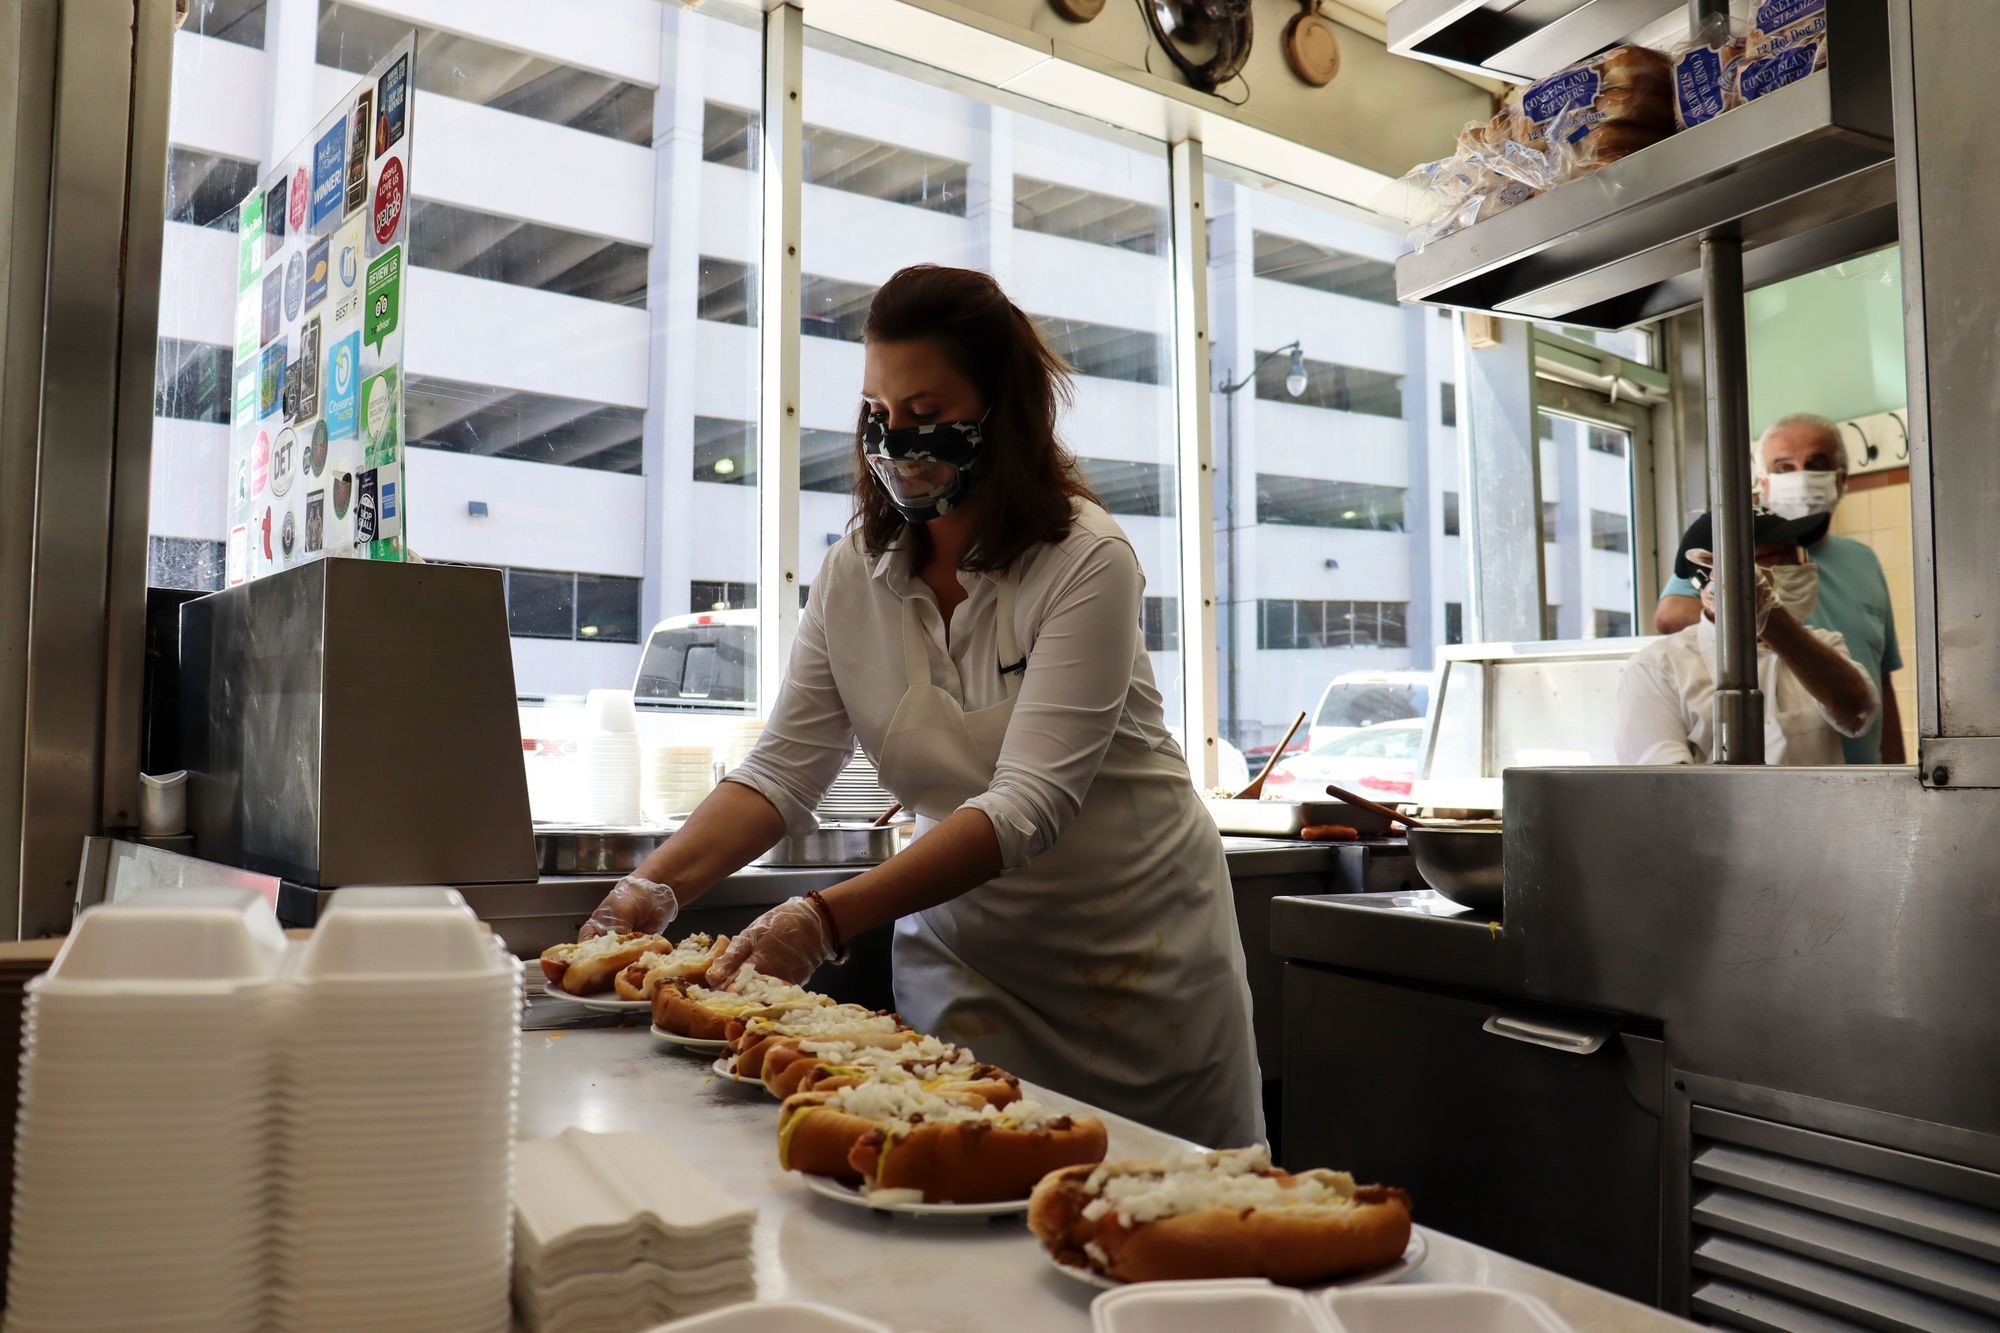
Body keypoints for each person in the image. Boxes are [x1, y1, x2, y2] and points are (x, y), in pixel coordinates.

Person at [581, 265, 1264, 1149]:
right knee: (953, 1196)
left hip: (1137, 962)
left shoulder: (1086, 561)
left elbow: (1028, 805)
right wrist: (651, 887)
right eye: (880, 411)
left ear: (1002, 410)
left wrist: (823, 916)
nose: (898, 437)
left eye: (927, 409)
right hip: (969, 961)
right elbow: (783, 771)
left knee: (1163, 1211)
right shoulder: (851, 575)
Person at [1653, 413, 1904, 762]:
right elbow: (1671, 616)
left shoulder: (1864, 561)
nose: (1801, 476)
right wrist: (1745, 606)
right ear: (1763, 482)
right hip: (1787, 766)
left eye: (1816, 464)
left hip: (1865, 767)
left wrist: (1896, 770)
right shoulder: (1729, 549)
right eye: (1784, 467)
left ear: (1841, 478)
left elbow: (1881, 680)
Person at [1617, 508, 1879, 765]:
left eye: (1796, 553)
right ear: (1714, 577)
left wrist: (1770, 620)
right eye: (1779, 555)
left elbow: (1857, 712)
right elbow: (1663, 791)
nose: (1798, 567)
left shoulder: (1822, 644)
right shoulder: (1657, 669)